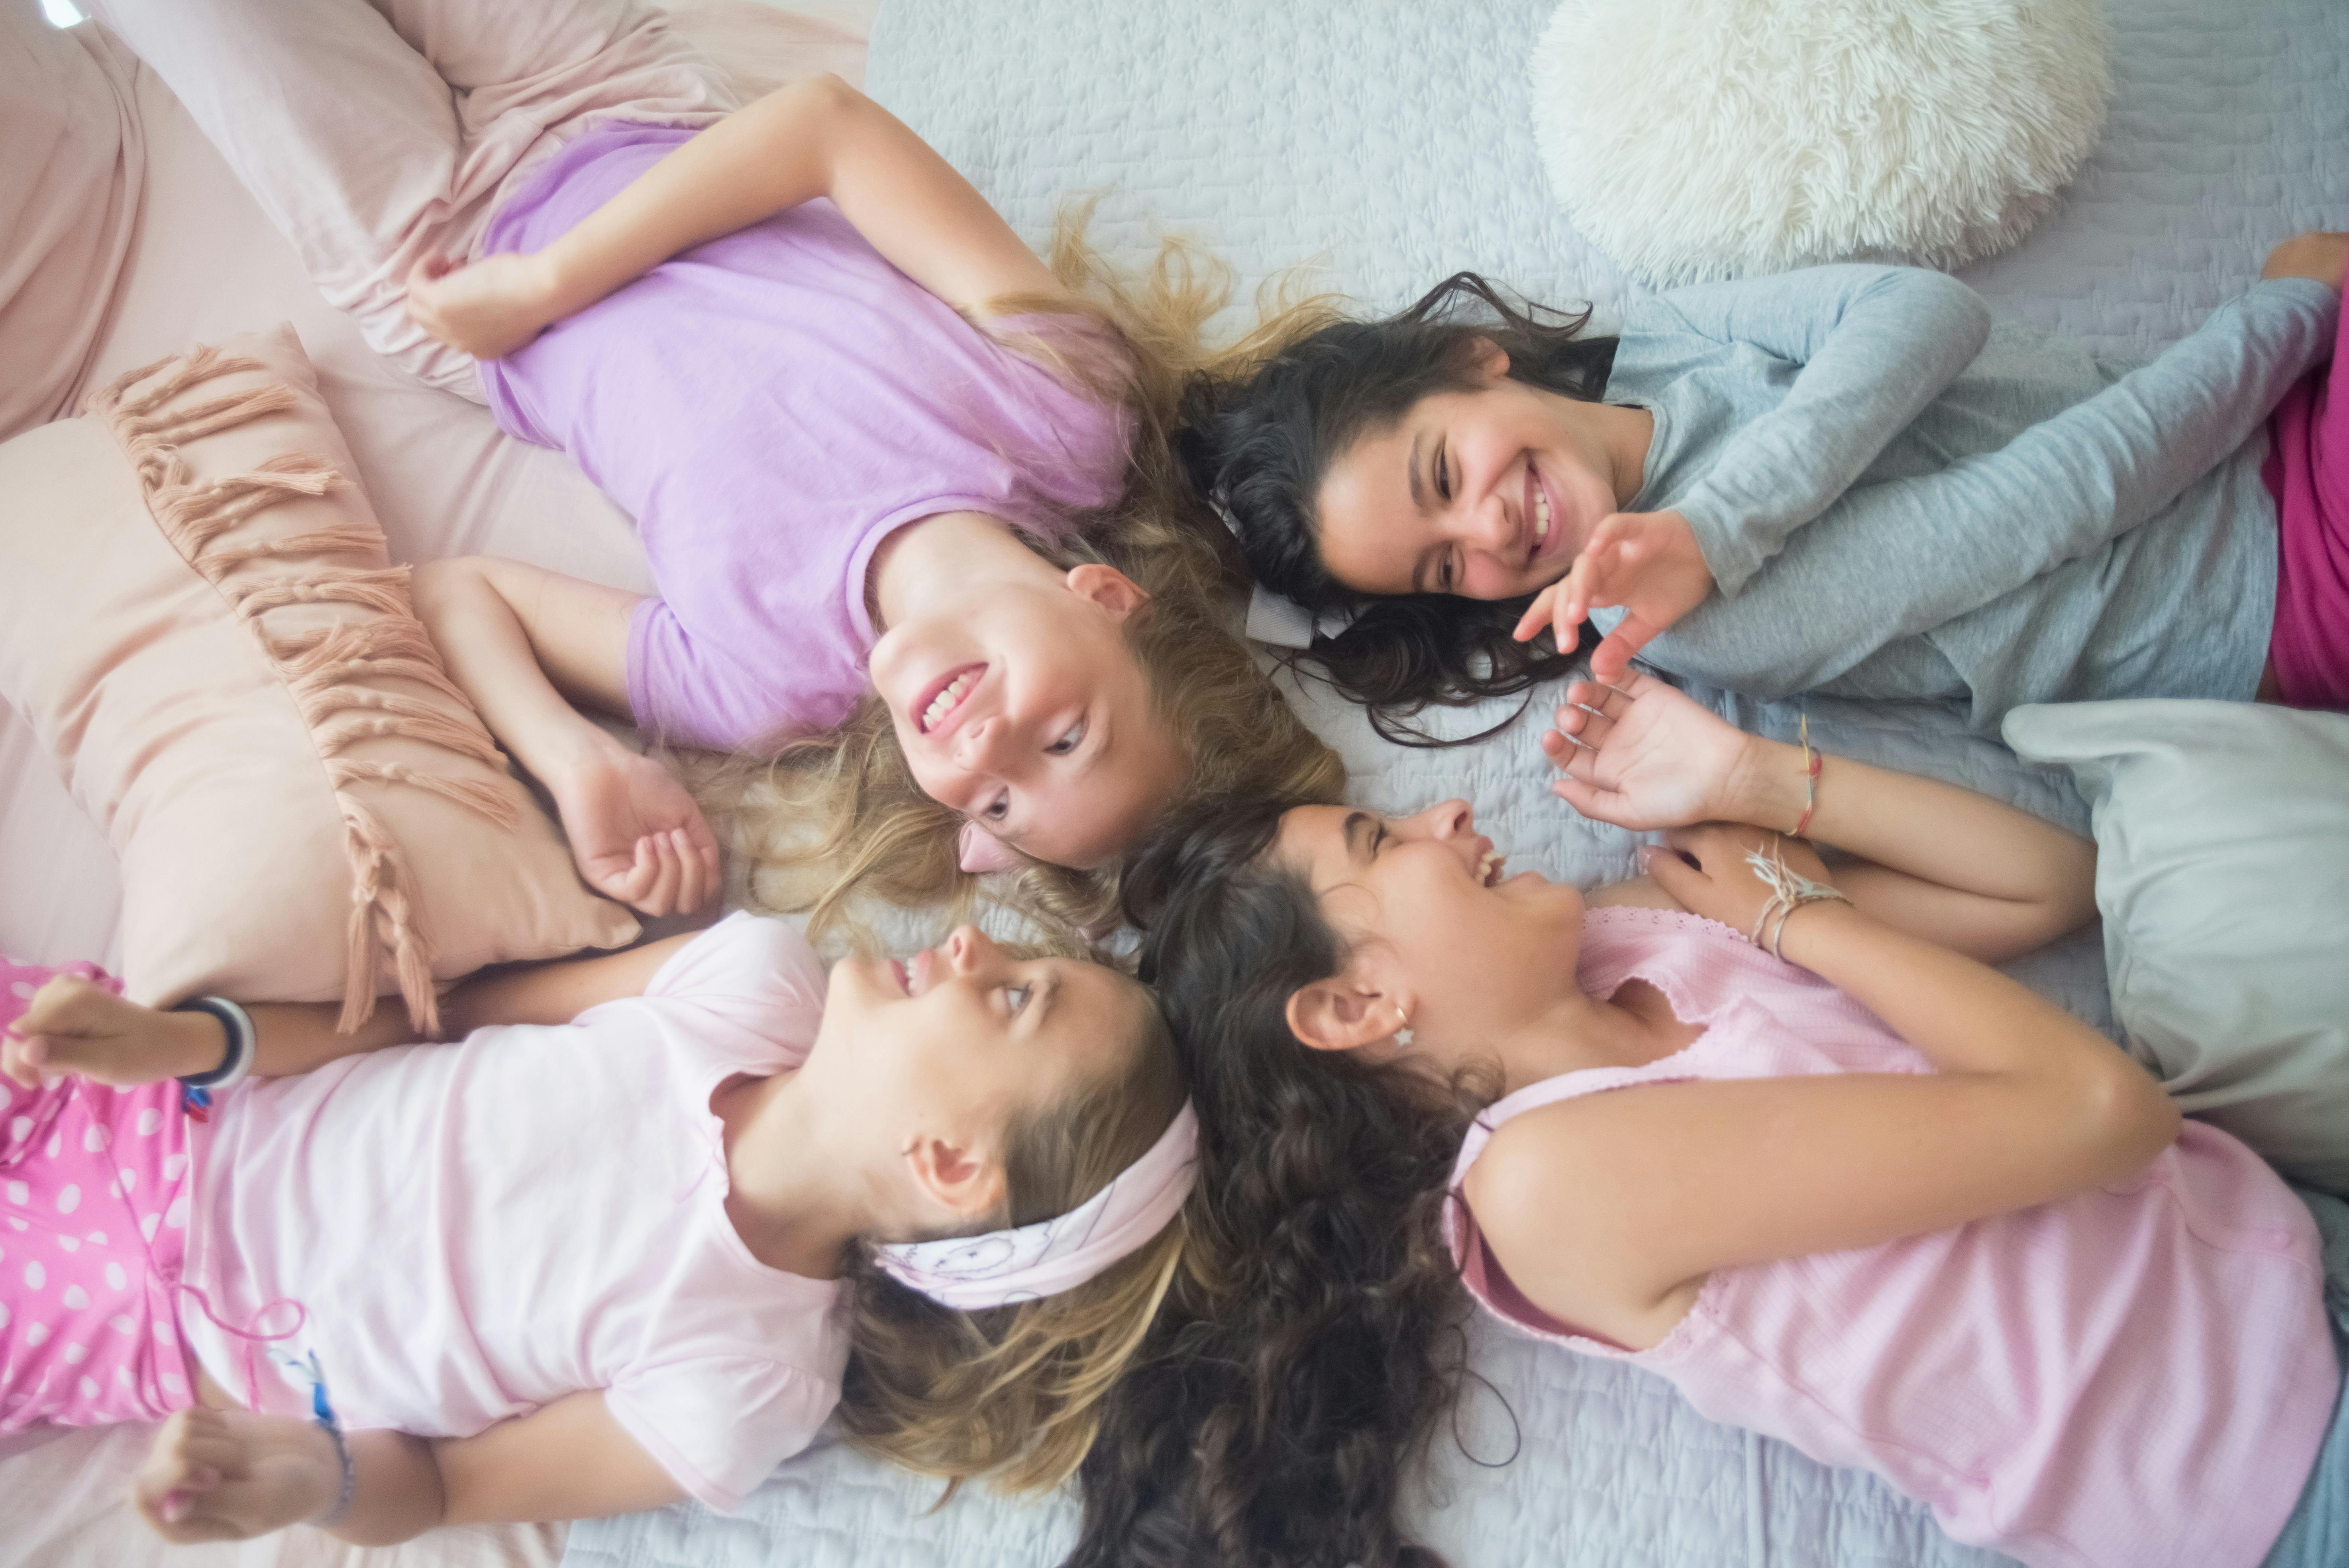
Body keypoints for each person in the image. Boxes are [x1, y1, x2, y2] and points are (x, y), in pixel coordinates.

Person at [88, 0, 1342, 926]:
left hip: (436, 251)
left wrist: (577, 757)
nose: (986, 753)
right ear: (1110, 600)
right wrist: (555, 283)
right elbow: (825, 130)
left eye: (995, 807)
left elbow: (459, 596)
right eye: (1063, 738)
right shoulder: (1068, 414)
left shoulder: (763, 682)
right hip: (607, 89)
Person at [1086, 676, 2349, 1568]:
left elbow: (2045, 883)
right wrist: (1797, 921)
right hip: (2270, 1465)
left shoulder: (1651, 933)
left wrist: (1755, 781)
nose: (1449, 815)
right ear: (1357, 1003)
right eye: (1386, 840)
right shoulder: (1546, 1188)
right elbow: (2100, 1110)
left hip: (2293, 1249)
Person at [0, 917, 1194, 1544]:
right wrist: (189, 1041)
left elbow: (445, 1489)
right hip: (144, 1091)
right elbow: (433, 1026)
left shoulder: (745, 1386)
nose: (977, 942)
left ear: (947, 1168)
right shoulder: (748, 984)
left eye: (1012, 997)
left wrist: (305, 1481)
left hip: (129, 1319)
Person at [1182, 237, 2349, 742]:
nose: (1487, 528)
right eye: (1447, 569)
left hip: (2250, 423)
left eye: (1443, 473)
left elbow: (1931, 313)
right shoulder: (1686, 619)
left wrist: (1717, 520)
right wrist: (2282, 313)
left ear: (1468, 362)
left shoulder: (1673, 334)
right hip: (2274, 578)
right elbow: (2050, 504)